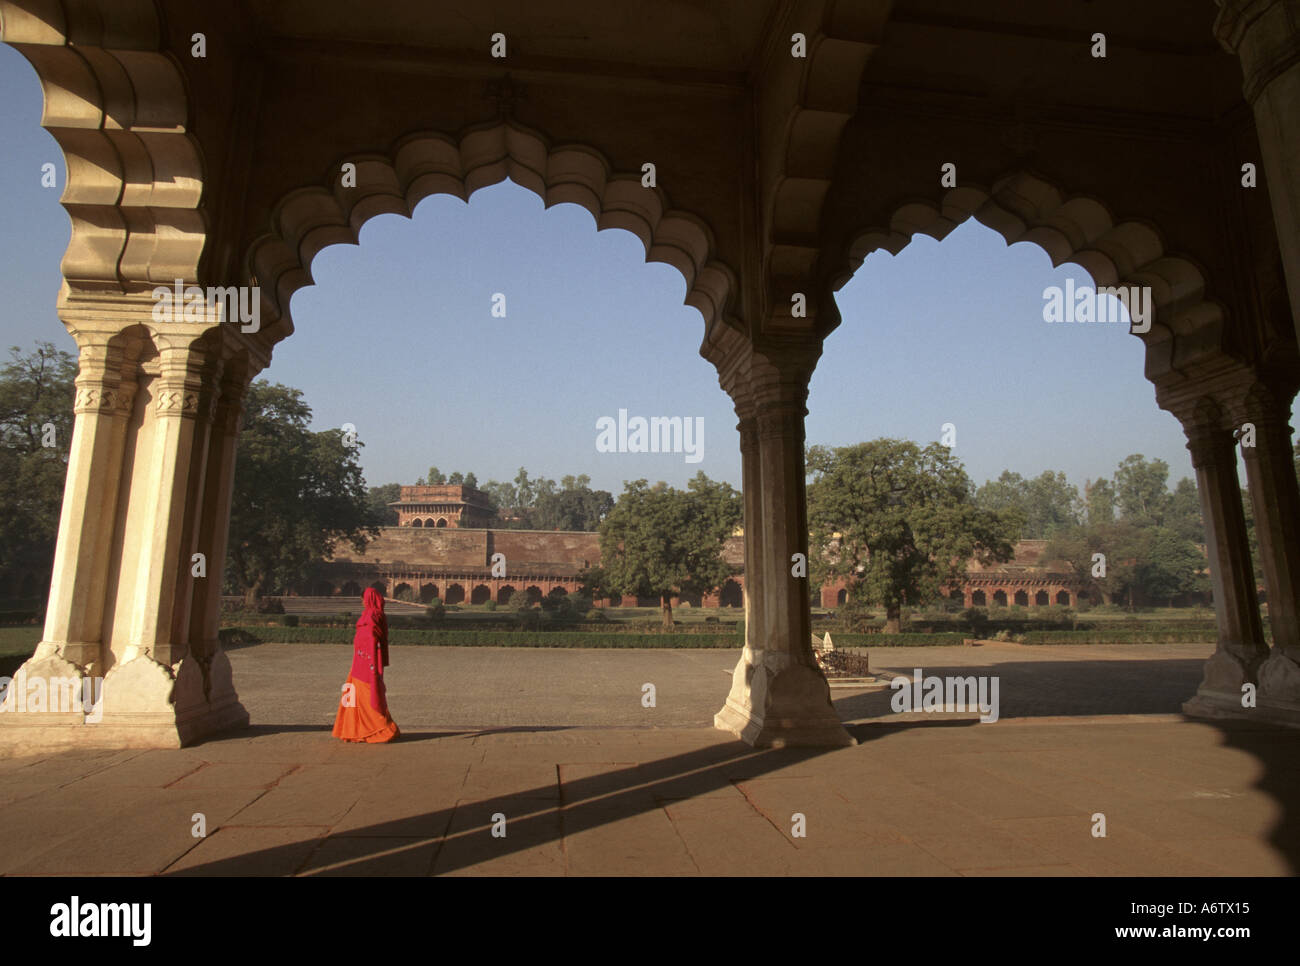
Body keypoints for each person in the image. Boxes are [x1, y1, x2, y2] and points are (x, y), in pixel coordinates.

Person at [333, 587, 399, 742]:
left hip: (365, 664)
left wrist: (371, 665)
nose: (362, 603)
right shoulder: (376, 615)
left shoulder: (371, 616)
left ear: (368, 599)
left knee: (364, 697)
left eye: (363, 599)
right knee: (356, 696)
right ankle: (359, 730)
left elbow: (371, 640)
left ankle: (378, 730)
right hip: (364, 662)